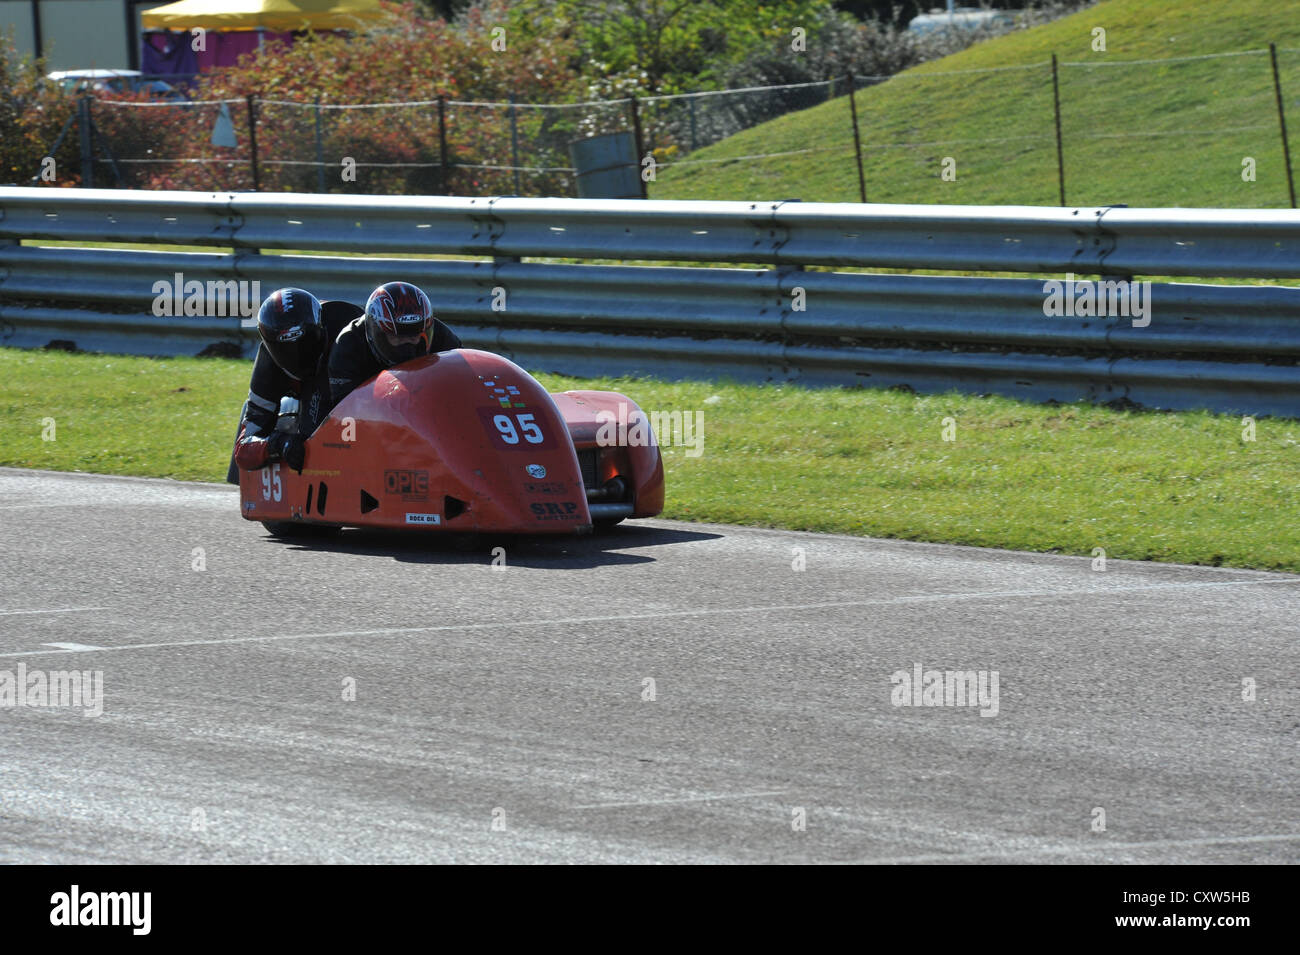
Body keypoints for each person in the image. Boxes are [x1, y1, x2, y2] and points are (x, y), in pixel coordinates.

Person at [229, 288, 361, 479]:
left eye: (306, 344)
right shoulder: (268, 365)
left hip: (349, 396)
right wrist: (280, 445)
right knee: (281, 415)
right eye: (285, 350)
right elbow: (243, 450)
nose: (298, 356)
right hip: (304, 398)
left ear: (320, 329)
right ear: (270, 346)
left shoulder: (349, 329)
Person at [327, 281, 462, 409]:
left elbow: (463, 385)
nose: (407, 343)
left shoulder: (444, 340)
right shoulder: (349, 347)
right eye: (397, 336)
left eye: (413, 335)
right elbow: (346, 413)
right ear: (377, 333)